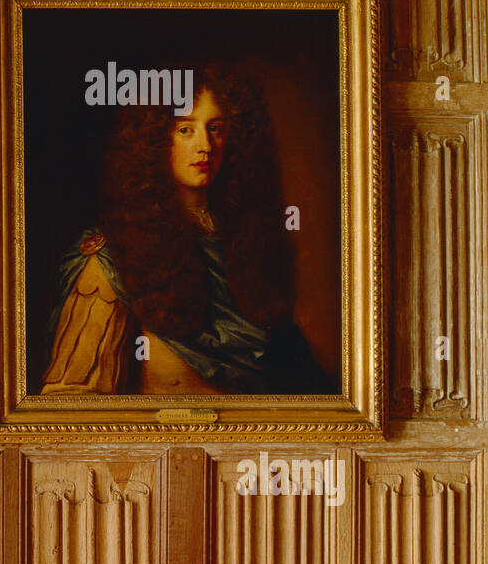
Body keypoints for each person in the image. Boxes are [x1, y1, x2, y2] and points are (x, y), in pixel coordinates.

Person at [40, 64, 334, 396]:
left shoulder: (249, 247)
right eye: (185, 129)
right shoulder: (111, 261)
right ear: (154, 140)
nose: (205, 146)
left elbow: (304, 393)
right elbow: (72, 404)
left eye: (216, 128)